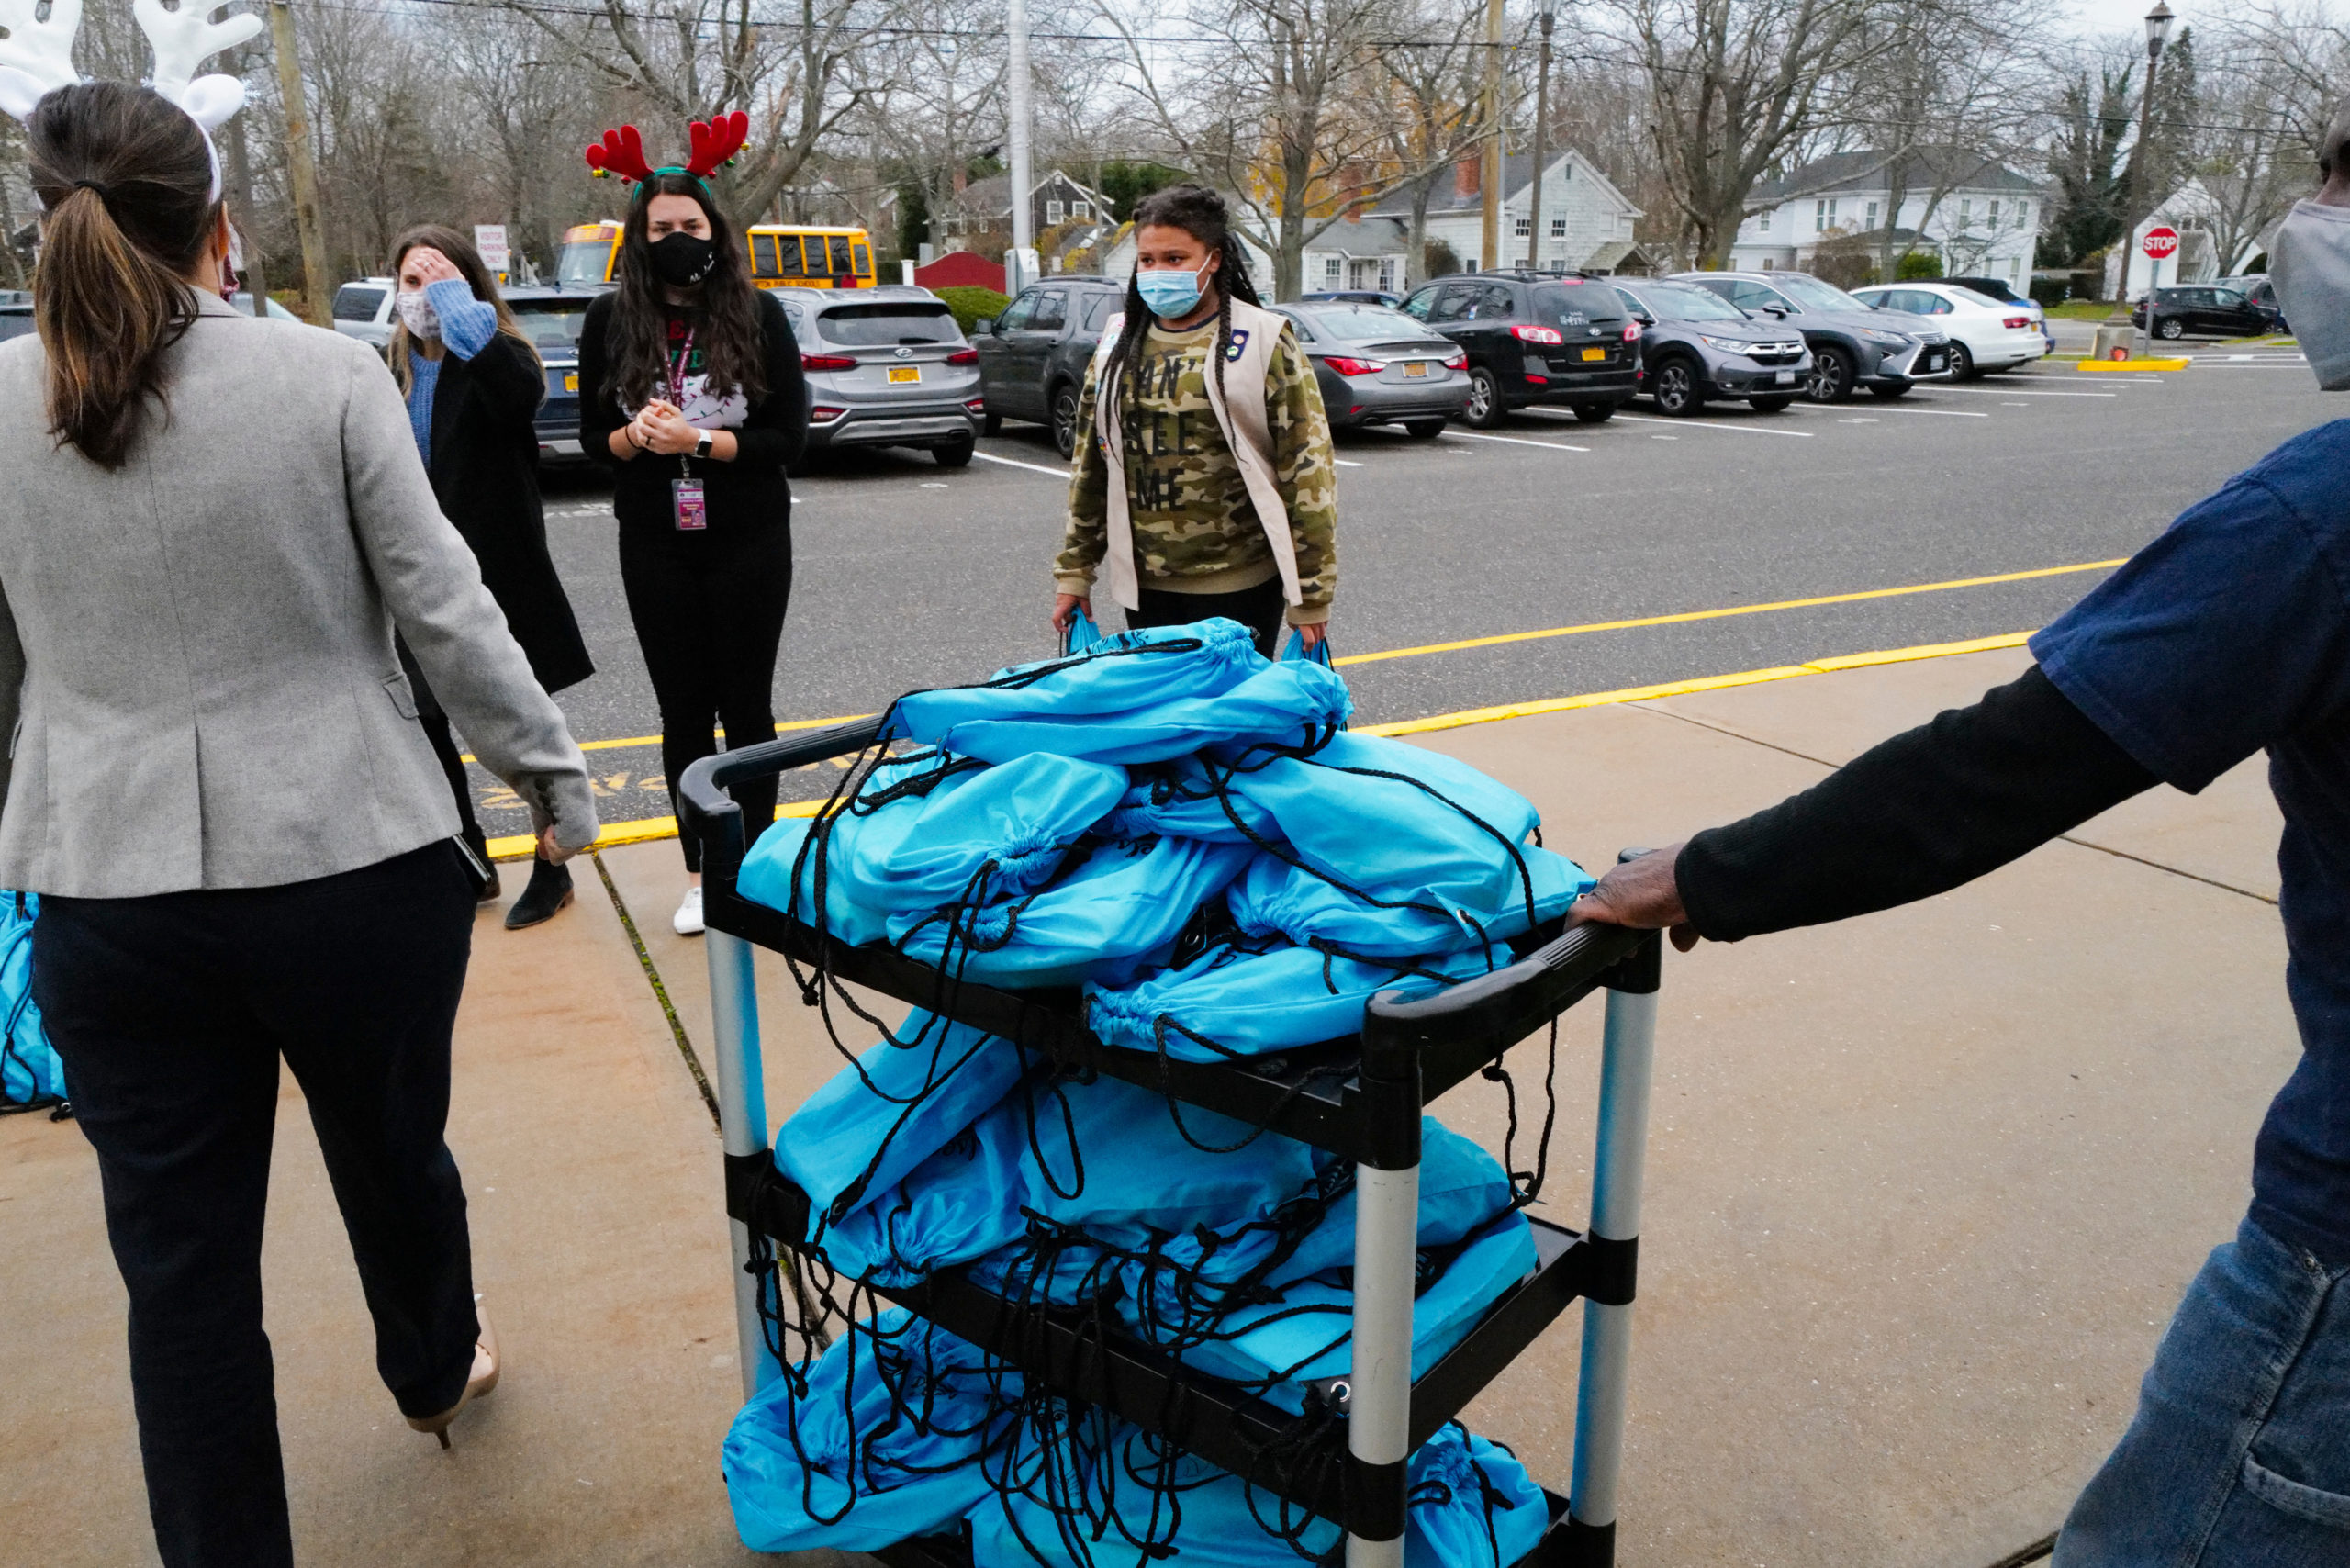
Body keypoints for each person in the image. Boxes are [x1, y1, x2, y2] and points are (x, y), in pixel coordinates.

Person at [1568, 109, 2350, 1568]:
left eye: (2338, 193)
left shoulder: (2320, 516)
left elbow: (2006, 767)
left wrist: (1703, 875)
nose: (2309, 225)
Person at [2, 79, 598, 1568]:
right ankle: (431, 1360)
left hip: (107, 888)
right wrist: (548, 778)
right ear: (220, 227)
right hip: (352, 863)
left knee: (181, 1279)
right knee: (394, 1155)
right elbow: (444, 611)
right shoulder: (324, 377)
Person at [576, 120, 805, 937]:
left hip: (748, 536)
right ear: (638, 239)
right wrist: (636, 438)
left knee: (748, 709)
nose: (678, 239)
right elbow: (589, 441)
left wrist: (699, 442)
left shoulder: (757, 314)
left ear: (716, 230)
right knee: (682, 712)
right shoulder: (610, 319)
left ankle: (758, 866)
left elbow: (789, 438)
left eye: (691, 225)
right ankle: (706, 873)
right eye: (661, 228)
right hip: (654, 540)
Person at [388, 225, 596, 930]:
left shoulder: (502, 356)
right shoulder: (387, 371)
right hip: (415, 585)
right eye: (412, 284)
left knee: (522, 730)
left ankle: (553, 865)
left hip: (498, 578)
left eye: (439, 281)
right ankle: (469, 861)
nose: (424, 298)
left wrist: (458, 310)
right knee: (423, 725)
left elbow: (514, 399)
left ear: (470, 287)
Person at [1049, 184, 1337, 661]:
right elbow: (1091, 466)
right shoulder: (1118, 342)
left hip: (1241, 585)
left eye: (1175, 259)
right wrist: (1075, 572)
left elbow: (1308, 472)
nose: (1157, 272)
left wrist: (1311, 593)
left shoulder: (1264, 339)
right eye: (1147, 260)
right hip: (1146, 588)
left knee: (1232, 711)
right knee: (1165, 709)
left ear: (1214, 259)